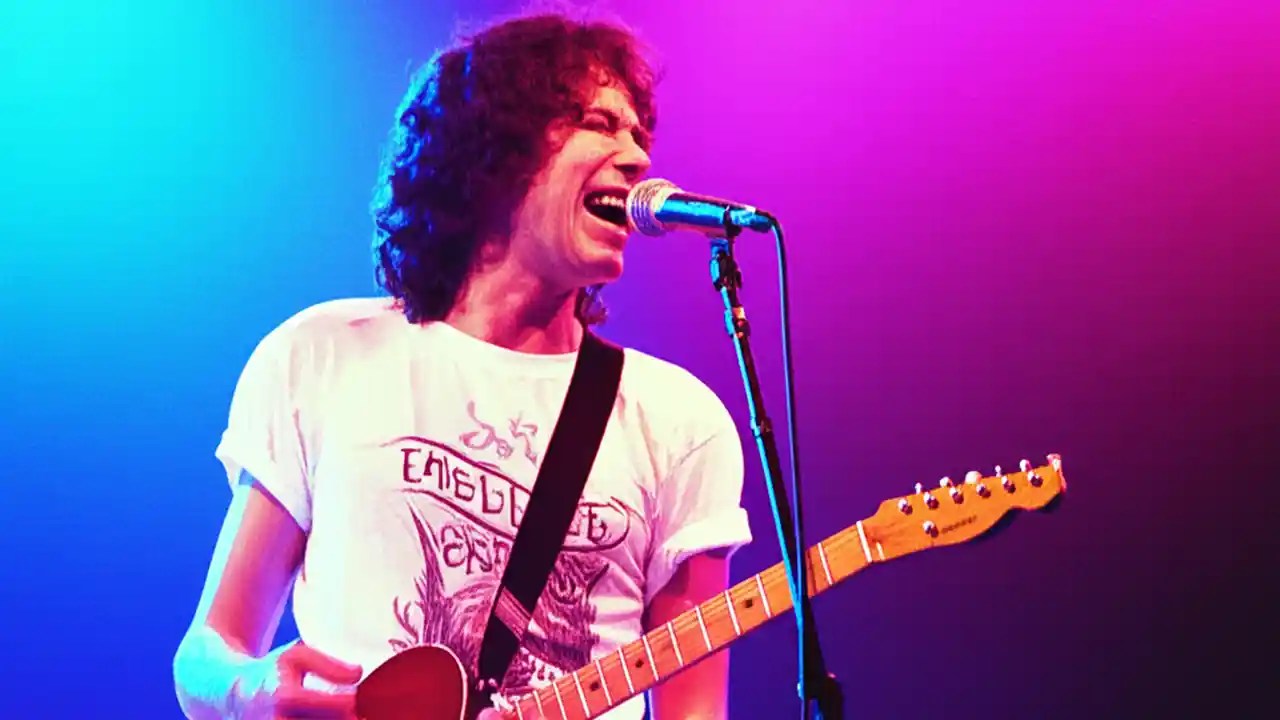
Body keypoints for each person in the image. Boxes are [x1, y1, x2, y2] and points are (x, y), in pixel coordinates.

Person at [171, 10, 753, 720]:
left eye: (640, 134)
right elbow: (206, 654)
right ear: (497, 150)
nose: (636, 157)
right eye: (601, 124)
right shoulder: (324, 355)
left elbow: (697, 711)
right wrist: (251, 690)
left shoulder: (678, 422)